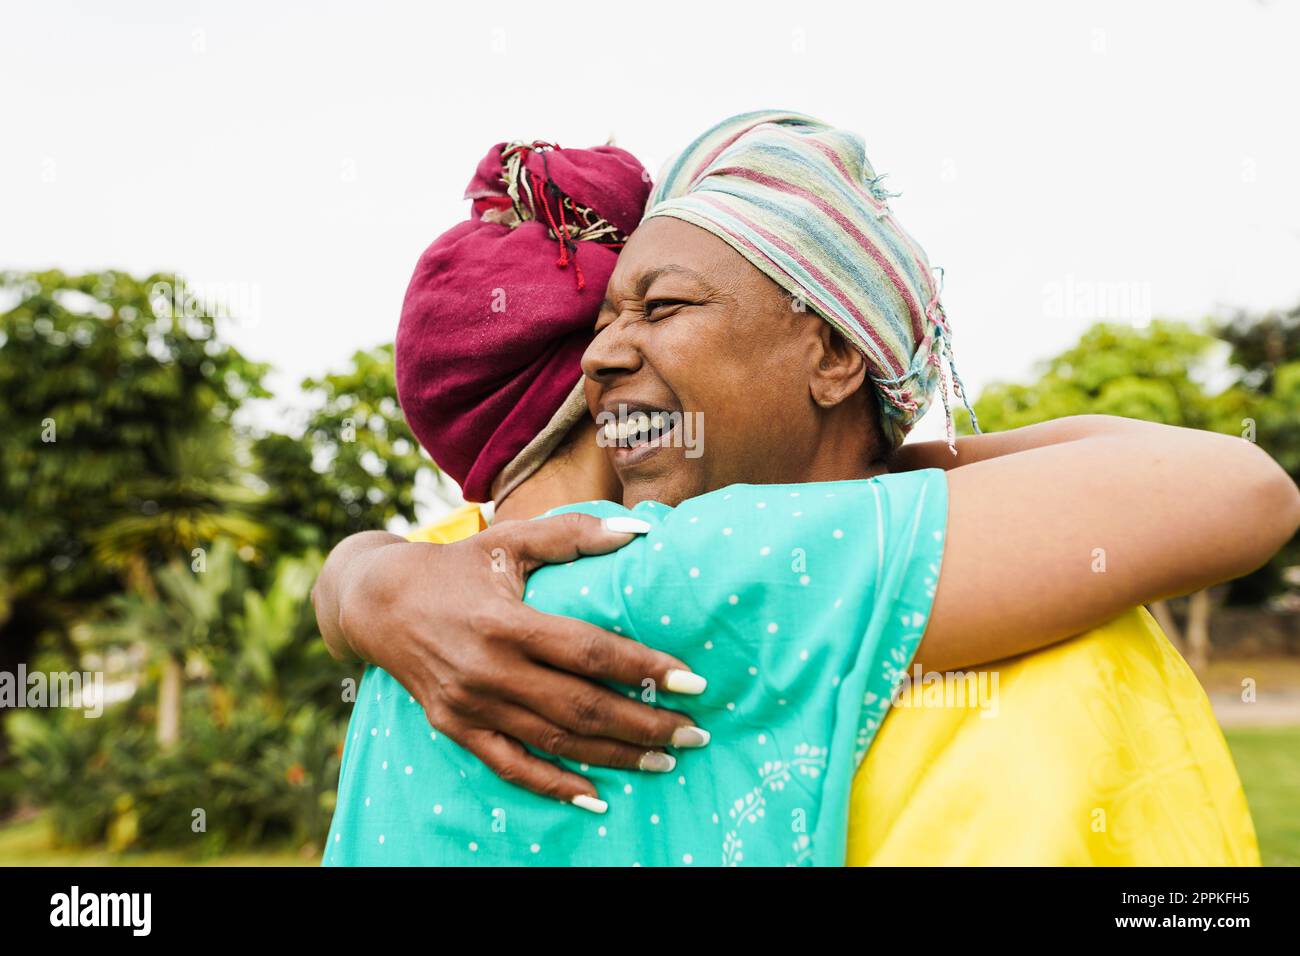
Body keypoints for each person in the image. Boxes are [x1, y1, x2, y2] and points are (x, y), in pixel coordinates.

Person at [319, 113, 1296, 865]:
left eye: (659, 309)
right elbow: (1235, 485)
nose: (610, 355)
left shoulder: (439, 591)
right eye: (603, 325)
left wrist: (359, 576)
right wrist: (912, 458)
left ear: (828, 351)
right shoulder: (698, 566)